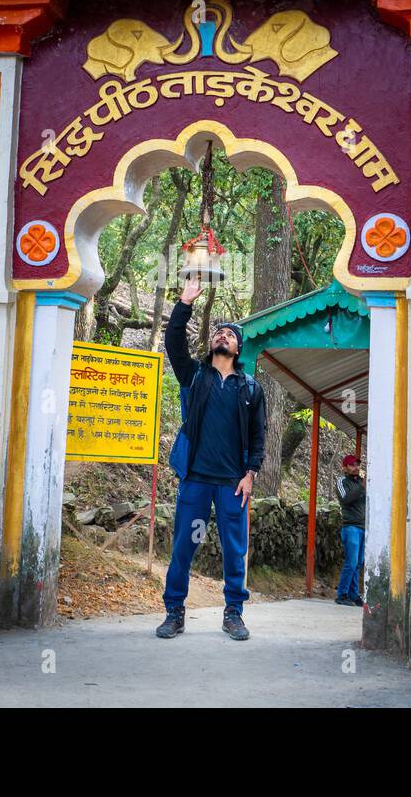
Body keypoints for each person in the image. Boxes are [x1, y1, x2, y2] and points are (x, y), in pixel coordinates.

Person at [155, 274, 267, 641]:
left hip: (232, 483)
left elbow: (258, 435)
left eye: (230, 334)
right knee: (184, 547)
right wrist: (184, 302)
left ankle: (233, 613)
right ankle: (174, 612)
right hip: (197, 479)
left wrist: (251, 473)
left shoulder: (250, 388)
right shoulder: (195, 377)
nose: (223, 335)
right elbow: (173, 343)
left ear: (239, 348)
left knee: (235, 551)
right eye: (219, 332)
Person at [335, 453, 365, 607]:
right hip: (351, 526)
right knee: (351, 562)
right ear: (345, 467)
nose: (356, 467)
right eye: (352, 465)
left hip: (363, 527)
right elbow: (345, 500)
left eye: (357, 464)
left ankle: (354, 595)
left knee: (359, 563)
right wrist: (361, 487)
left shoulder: (361, 482)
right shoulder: (342, 481)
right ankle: (342, 594)